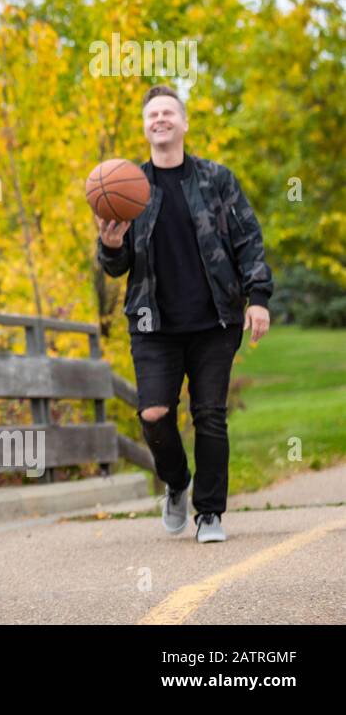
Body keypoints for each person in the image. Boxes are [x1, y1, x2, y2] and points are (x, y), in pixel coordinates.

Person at [97, 84, 273, 544]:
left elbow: (248, 241)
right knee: (154, 415)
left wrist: (258, 298)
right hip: (154, 324)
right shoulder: (128, 186)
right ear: (144, 125)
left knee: (210, 414)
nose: (160, 119)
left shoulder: (217, 179)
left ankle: (210, 514)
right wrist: (110, 245)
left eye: (168, 112)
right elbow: (116, 268)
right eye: (152, 113)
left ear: (184, 122)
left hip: (215, 320)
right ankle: (176, 483)